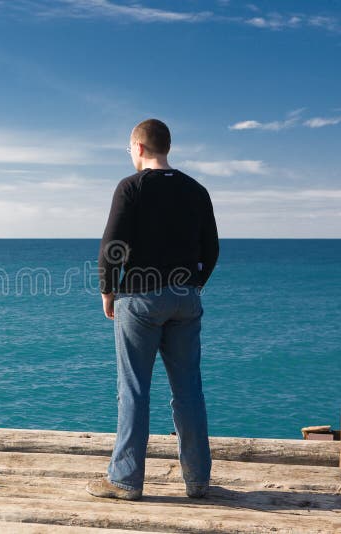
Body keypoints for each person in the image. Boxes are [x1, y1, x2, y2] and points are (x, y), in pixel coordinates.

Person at [86, 118, 219, 501]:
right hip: (185, 298)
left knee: (134, 390)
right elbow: (211, 250)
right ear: (167, 147)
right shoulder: (197, 190)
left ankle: (125, 481)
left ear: (139, 148)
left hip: (140, 300)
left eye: (129, 148)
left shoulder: (131, 186)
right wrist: (191, 286)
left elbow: (113, 245)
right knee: (189, 390)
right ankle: (198, 481)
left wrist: (107, 291)